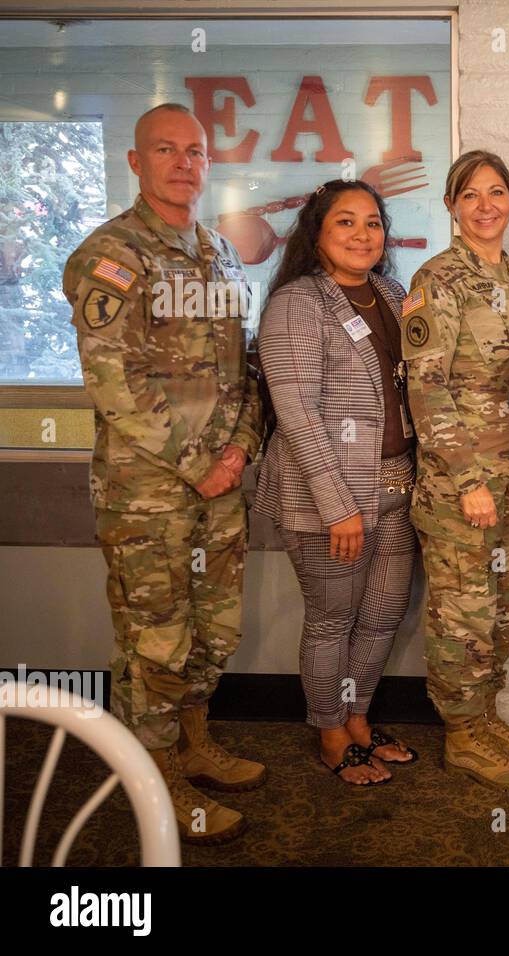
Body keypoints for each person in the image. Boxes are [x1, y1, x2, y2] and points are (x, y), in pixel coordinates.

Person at [62, 103, 264, 845]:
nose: (184, 162)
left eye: (196, 151)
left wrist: (238, 449)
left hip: (222, 488)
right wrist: (198, 464)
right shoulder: (110, 255)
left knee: (214, 630)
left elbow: (243, 369)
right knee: (156, 639)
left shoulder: (220, 253)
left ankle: (195, 742)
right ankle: (154, 777)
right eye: (166, 150)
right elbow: (113, 380)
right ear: (136, 163)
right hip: (148, 493)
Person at [399, 150, 509, 791]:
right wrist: (468, 479)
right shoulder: (435, 282)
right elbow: (427, 389)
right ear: (451, 206)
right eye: (470, 194)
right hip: (461, 489)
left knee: (505, 608)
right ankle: (463, 735)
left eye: (497, 192)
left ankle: (488, 714)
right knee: (461, 615)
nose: (485, 205)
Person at [254, 179, 419, 786]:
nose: (362, 234)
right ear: (317, 235)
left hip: (398, 485)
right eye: (345, 222)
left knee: (381, 614)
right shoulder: (298, 302)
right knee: (332, 618)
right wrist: (337, 504)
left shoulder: (394, 295)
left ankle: (358, 719)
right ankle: (329, 732)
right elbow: (294, 409)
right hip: (327, 497)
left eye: (372, 222)